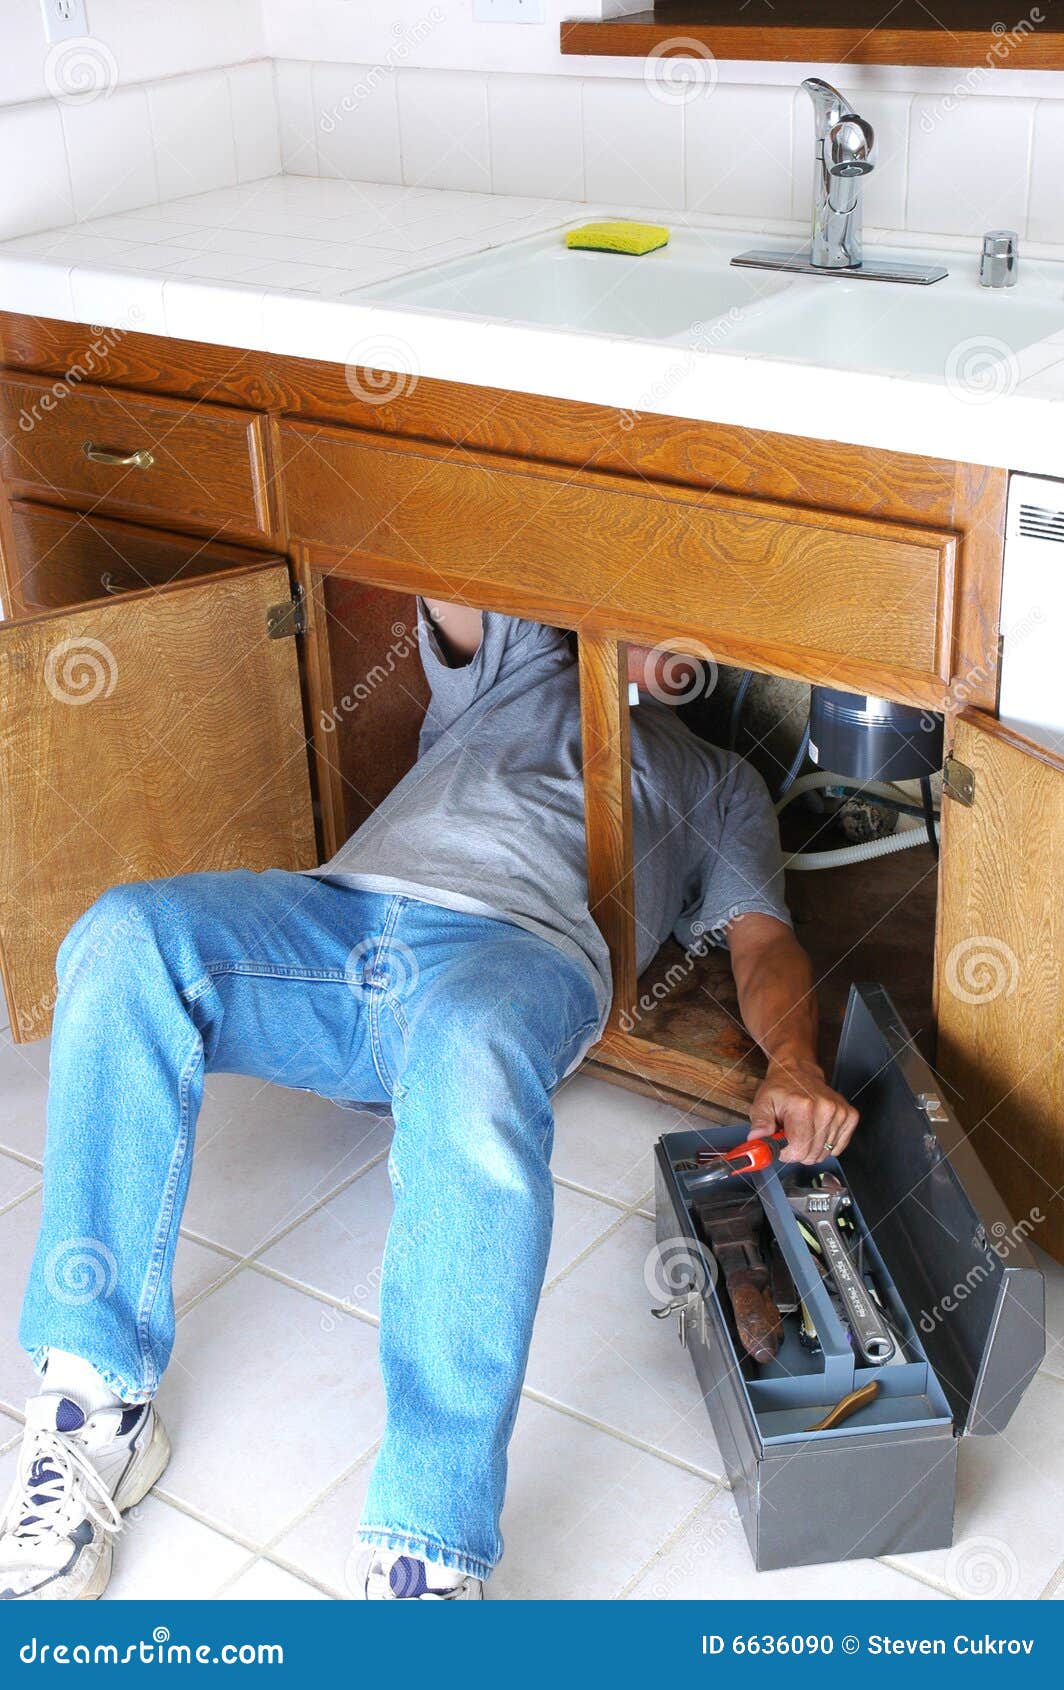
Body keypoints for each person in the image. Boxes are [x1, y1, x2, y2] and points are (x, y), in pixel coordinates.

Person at [0, 602, 858, 1602]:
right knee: (126, 935)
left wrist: (792, 1057)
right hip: (338, 924)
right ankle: (92, 1404)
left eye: (674, 613)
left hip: (511, 960)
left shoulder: (721, 782)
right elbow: (458, 555)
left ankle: (425, 1546)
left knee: (467, 1045)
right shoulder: (521, 660)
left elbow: (760, 941)